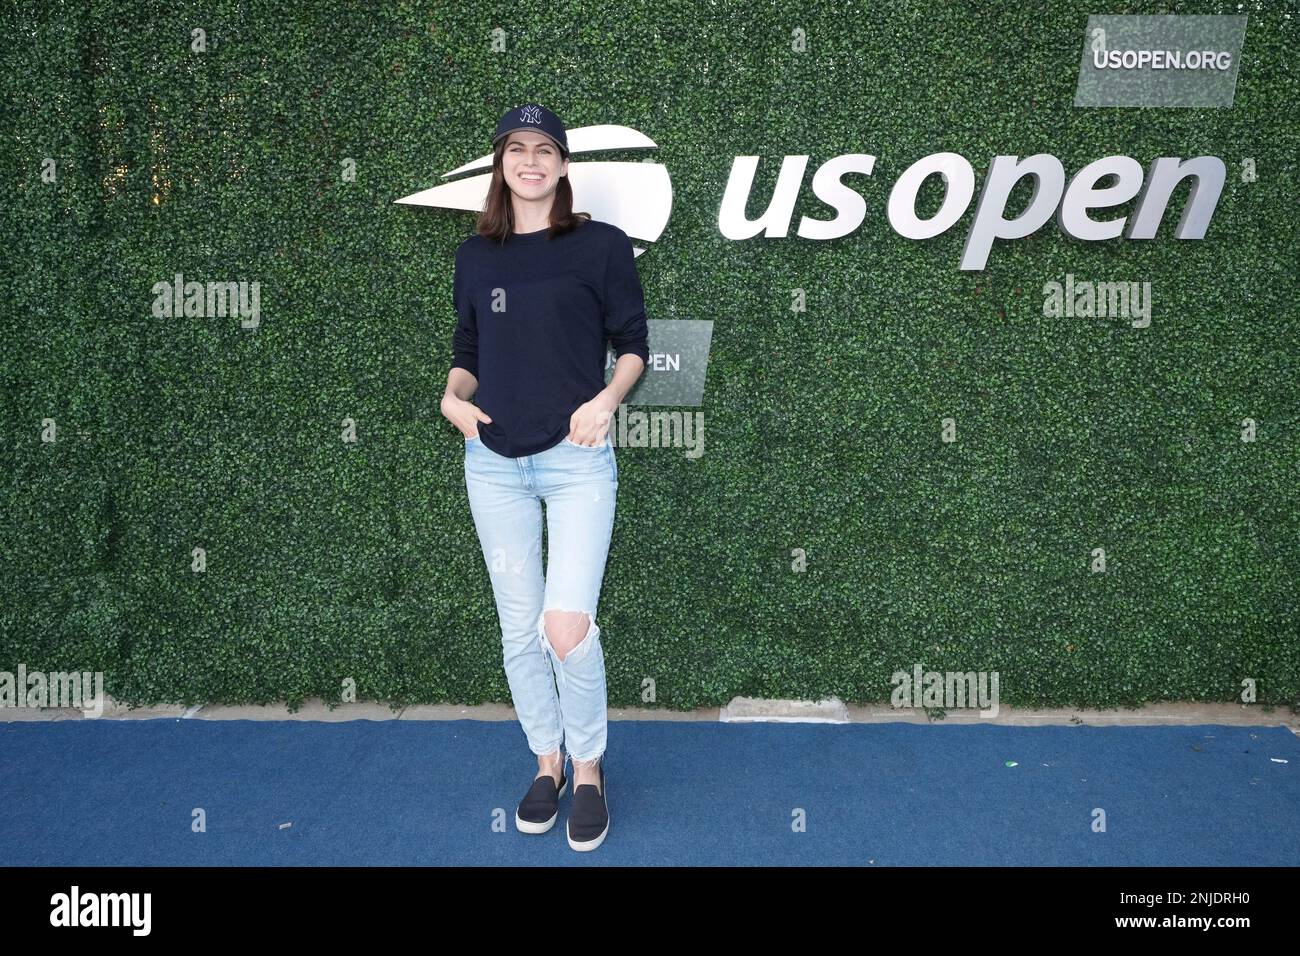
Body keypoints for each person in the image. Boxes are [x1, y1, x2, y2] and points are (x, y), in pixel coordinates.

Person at [439, 104, 649, 852]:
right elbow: (469, 346)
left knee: (567, 627)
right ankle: (548, 763)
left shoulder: (600, 246)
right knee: (520, 629)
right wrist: (451, 397)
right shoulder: (476, 256)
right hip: (491, 463)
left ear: (562, 166)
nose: (530, 161)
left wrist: (604, 400)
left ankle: (590, 769)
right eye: (516, 149)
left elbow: (632, 345)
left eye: (544, 150)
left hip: (576, 463)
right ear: (501, 164)